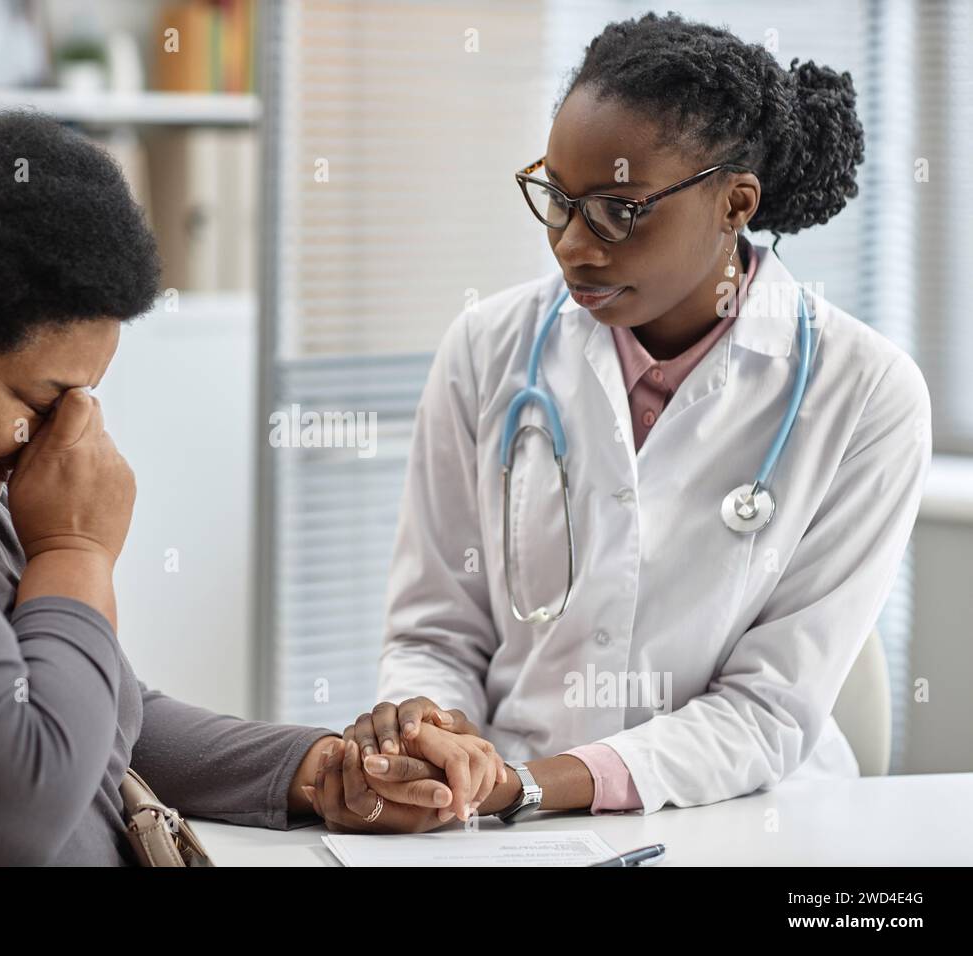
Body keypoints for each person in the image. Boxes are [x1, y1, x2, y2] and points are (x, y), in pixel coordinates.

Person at [0, 113, 499, 862]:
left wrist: (317, 771)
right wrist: (74, 551)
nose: (63, 438)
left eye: (80, 400)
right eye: (39, 401)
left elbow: (97, 704)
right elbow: (10, 810)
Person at [315, 12, 931, 829]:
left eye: (617, 210)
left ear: (734, 204)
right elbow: (437, 626)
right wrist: (429, 732)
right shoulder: (487, 348)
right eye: (558, 201)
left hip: (753, 825)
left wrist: (530, 784)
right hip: (502, 827)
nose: (571, 245)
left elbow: (766, 709)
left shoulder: (866, 394)